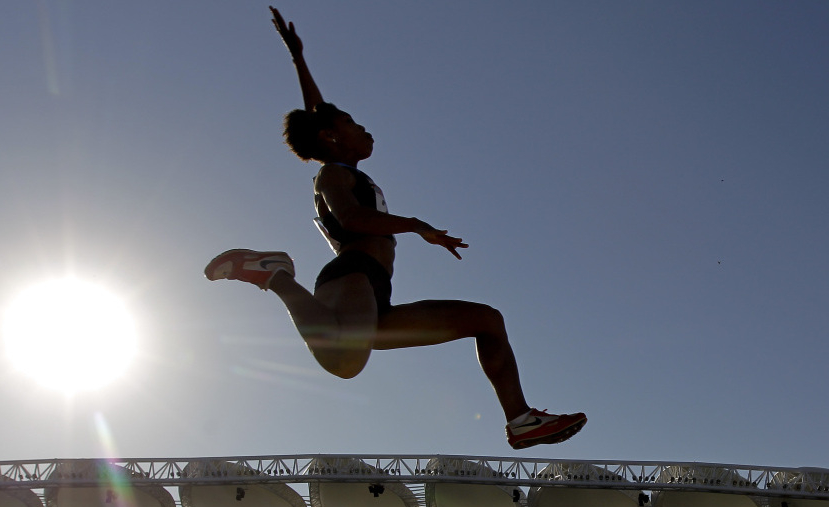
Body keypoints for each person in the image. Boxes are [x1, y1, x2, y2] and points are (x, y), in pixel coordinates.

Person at [205, 7, 586, 450]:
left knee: (487, 320)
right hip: (351, 277)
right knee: (344, 362)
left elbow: (319, 114)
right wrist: (416, 225)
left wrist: (299, 59)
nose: (364, 128)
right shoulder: (332, 175)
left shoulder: (342, 161)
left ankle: (521, 420)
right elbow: (351, 219)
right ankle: (277, 275)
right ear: (331, 138)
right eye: (353, 124)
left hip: (376, 295)